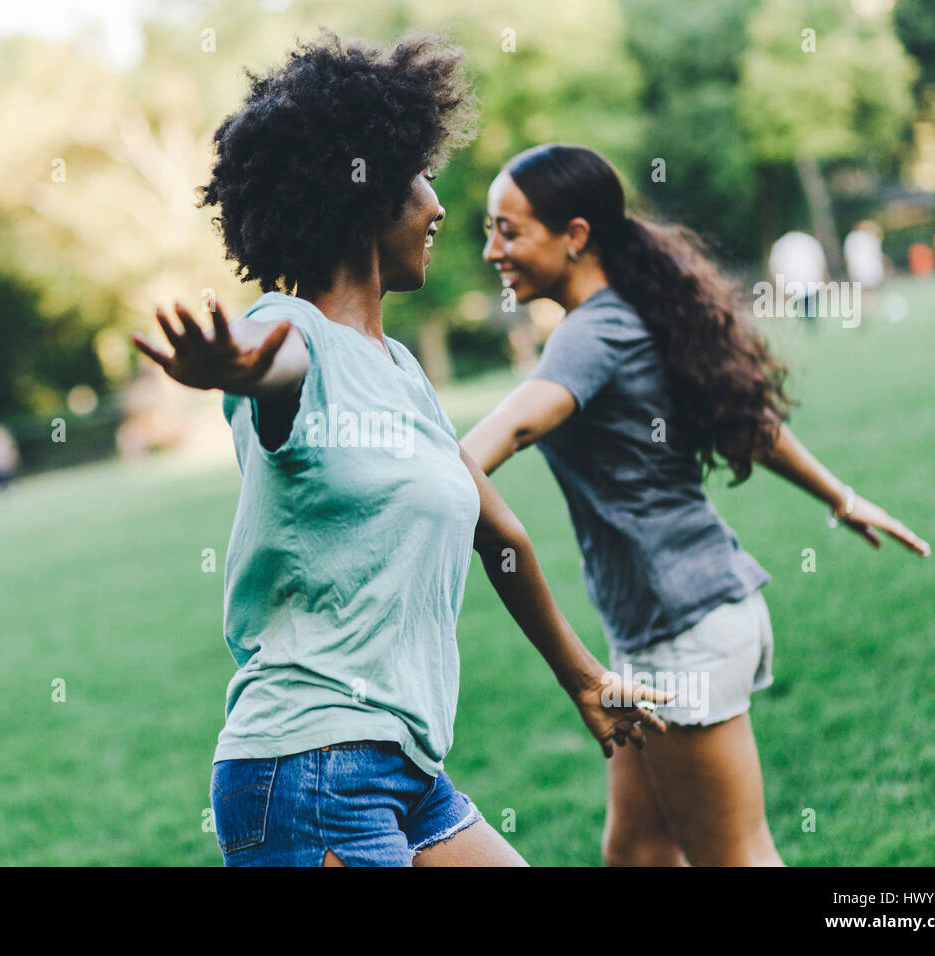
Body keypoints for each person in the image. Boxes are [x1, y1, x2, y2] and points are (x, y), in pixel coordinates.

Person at [131, 33, 669, 868]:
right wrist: (233, 368)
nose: (437, 206)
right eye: (419, 179)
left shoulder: (404, 374)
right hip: (307, 770)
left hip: (406, 766)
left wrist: (585, 679)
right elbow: (273, 359)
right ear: (367, 198)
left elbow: (503, 538)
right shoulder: (292, 333)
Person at [465, 143, 931, 867]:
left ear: (576, 235)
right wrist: (840, 497)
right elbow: (743, 418)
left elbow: (509, 430)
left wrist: (405, 485)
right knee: (639, 850)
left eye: (509, 229)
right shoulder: (629, 312)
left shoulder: (591, 332)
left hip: (683, 628)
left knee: (735, 857)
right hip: (674, 620)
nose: (493, 249)